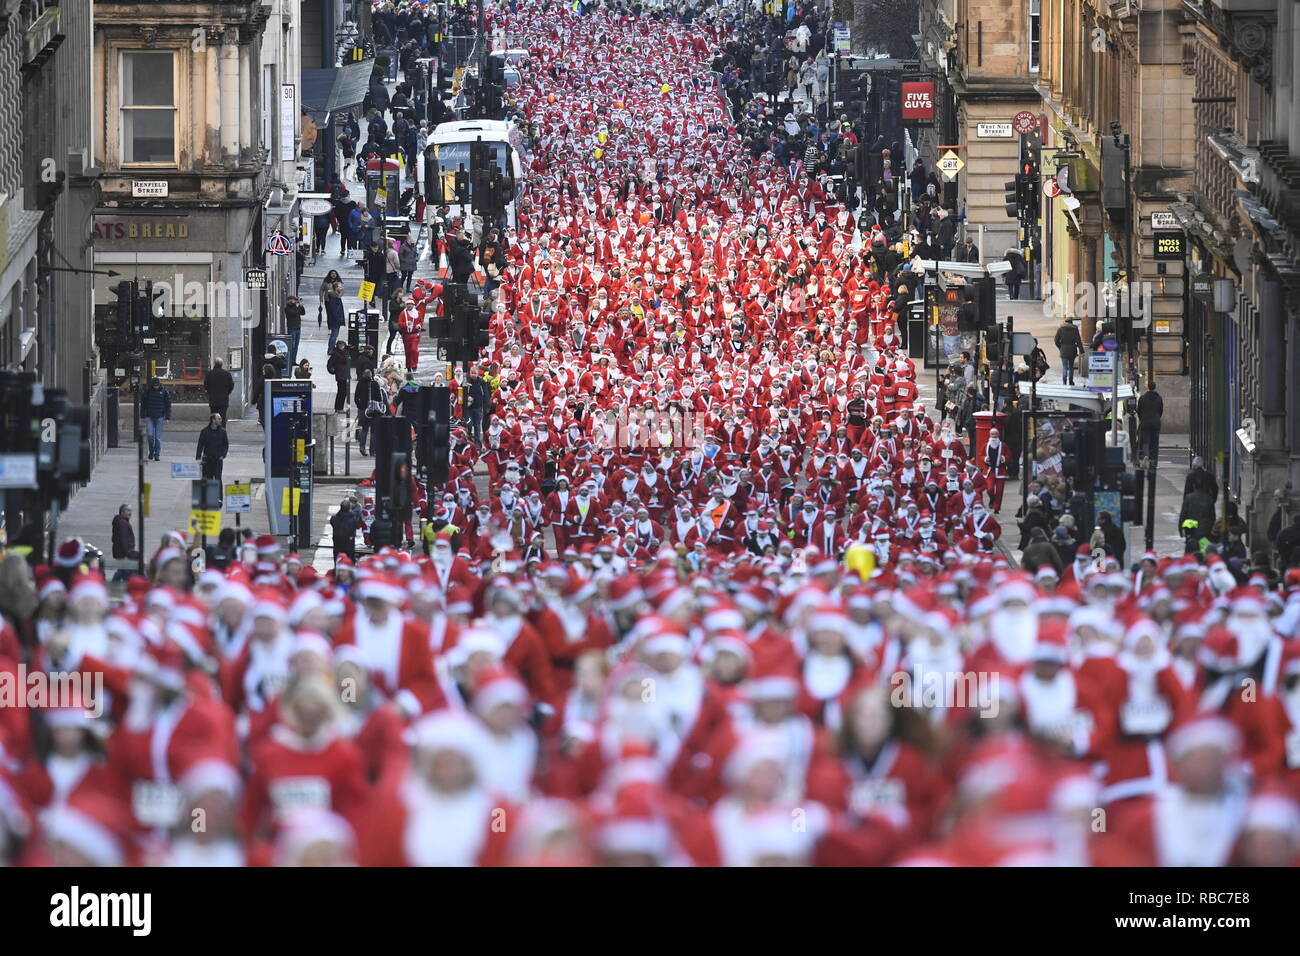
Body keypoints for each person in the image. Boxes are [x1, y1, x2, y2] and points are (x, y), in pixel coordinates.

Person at [141, 376, 172, 462]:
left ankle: (156, 454)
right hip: (150, 416)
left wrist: (167, 417)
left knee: (158, 437)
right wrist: (143, 415)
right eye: (155, 385)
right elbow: (143, 404)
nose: (156, 387)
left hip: (159, 416)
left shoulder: (164, 392)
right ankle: (151, 451)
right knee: (150, 435)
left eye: (157, 385)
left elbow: (168, 404)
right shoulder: (148, 392)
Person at [196, 413, 229, 481]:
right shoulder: (204, 431)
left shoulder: (223, 431)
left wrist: (223, 455)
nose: (221, 420)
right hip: (207, 459)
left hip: (218, 459)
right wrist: (198, 457)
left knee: (218, 479)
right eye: (219, 419)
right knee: (208, 479)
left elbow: (225, 444)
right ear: (213, 420)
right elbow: (200, 445)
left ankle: (219, 492)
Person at [1136, 380, 1163, 461]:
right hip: (1155, 422)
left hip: (1145, 421)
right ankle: (1154, 459)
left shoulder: (1142, 398)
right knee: (1155, 441)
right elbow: (1161, 410)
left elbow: (1139, 411)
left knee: (1145, 440)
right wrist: (1157, 417)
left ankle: (1146, 455)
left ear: (1148, 387)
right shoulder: (1159, 398)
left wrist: (1142, 419)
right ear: (1155, 387)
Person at [320, 270, 347, 351]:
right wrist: (321, 298)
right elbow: (322, 290)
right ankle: (331, 348)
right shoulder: (333, 298)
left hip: (336, 319)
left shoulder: (337, 297)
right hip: (335, 318)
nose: (341, 288)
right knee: (334, 334)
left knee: (335, 334)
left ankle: (331, 348)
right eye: (339, 287)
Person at [1054, 318, 1083, 386]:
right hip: (1072, 349)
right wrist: (1082, 351)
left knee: (1064, 367)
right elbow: (1078, 341)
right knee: (1071, 367)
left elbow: (1056, 340)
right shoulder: (1075, 329)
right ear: (1071, 322)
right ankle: (1071, 381)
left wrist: (1060, 347)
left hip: (1063, 349)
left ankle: (1064, 382)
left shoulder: (1061, 329)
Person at [330, 497, 360, 564]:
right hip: (349, 543)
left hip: (337, 542)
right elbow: (357, 526)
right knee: (349, 559)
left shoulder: (334, 518)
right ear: (349, 508)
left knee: (337, 558)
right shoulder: (353, 519)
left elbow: (332, 523)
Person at [204, 359, 234, 424]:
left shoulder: (209, 374)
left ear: (214, 363)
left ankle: (214, 431)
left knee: (214, 418)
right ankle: (222, 432)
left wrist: (210, 393)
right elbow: (231, 385)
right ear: (221, 364)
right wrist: (227, 393)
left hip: (213, 400)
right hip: (223, 400)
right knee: (222, 418)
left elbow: (206, 385)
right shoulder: (227, 374)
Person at [327, 341, 351, 413]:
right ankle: (339, 408)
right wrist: (347, 351)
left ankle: (339, 407)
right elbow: (344, 359)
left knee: (343, 392)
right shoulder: (337, 353)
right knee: (342, 392)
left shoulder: (340, 352)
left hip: (344, 374)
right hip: (341, 375)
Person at [111, 504, 137, 569]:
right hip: (123, 554)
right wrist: (128, 553)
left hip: (119, 552)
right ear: (122, 512)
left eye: (130, 511)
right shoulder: (123, 523)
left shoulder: (120, 522)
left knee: (121, 570)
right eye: (127, 511)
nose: (130, 513)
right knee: (123, 571)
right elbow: (123, 539)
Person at [284, 296, 306, 367]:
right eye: (293, 300)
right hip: (292, 328)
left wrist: (301, 306)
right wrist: (297, 306)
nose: (295, 301)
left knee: (296, 346)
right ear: (289, 301)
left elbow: (303, 313)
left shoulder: (296, 307)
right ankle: (289, 360)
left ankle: (293, 360)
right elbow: (293, 313)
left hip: (297, 328)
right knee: (292, 345)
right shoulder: (287, 308)